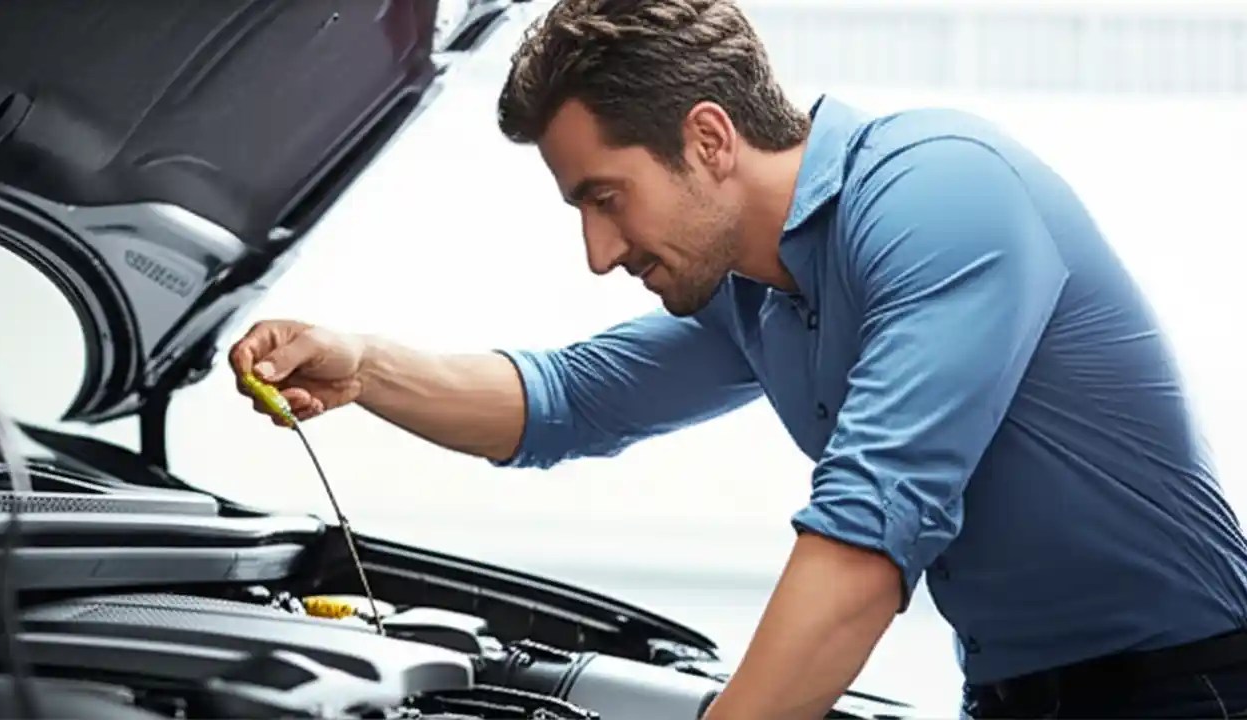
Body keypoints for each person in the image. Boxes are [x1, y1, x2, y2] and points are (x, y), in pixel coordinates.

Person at [228, 0, 1247, 717]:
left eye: (605, 198)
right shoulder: (756, 292)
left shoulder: (939, 195)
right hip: (1011, 695)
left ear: (709, 139)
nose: (598, 253)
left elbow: (869, 534)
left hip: (1193, 689)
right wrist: (363, 367)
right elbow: (562, 401)